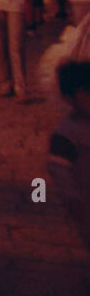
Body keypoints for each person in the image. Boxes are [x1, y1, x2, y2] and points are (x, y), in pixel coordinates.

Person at [50, 61, 90, 248]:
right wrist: (75, 204)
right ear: (68, 98)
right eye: (86, 92)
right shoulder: (66, 134)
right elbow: (61, 173)